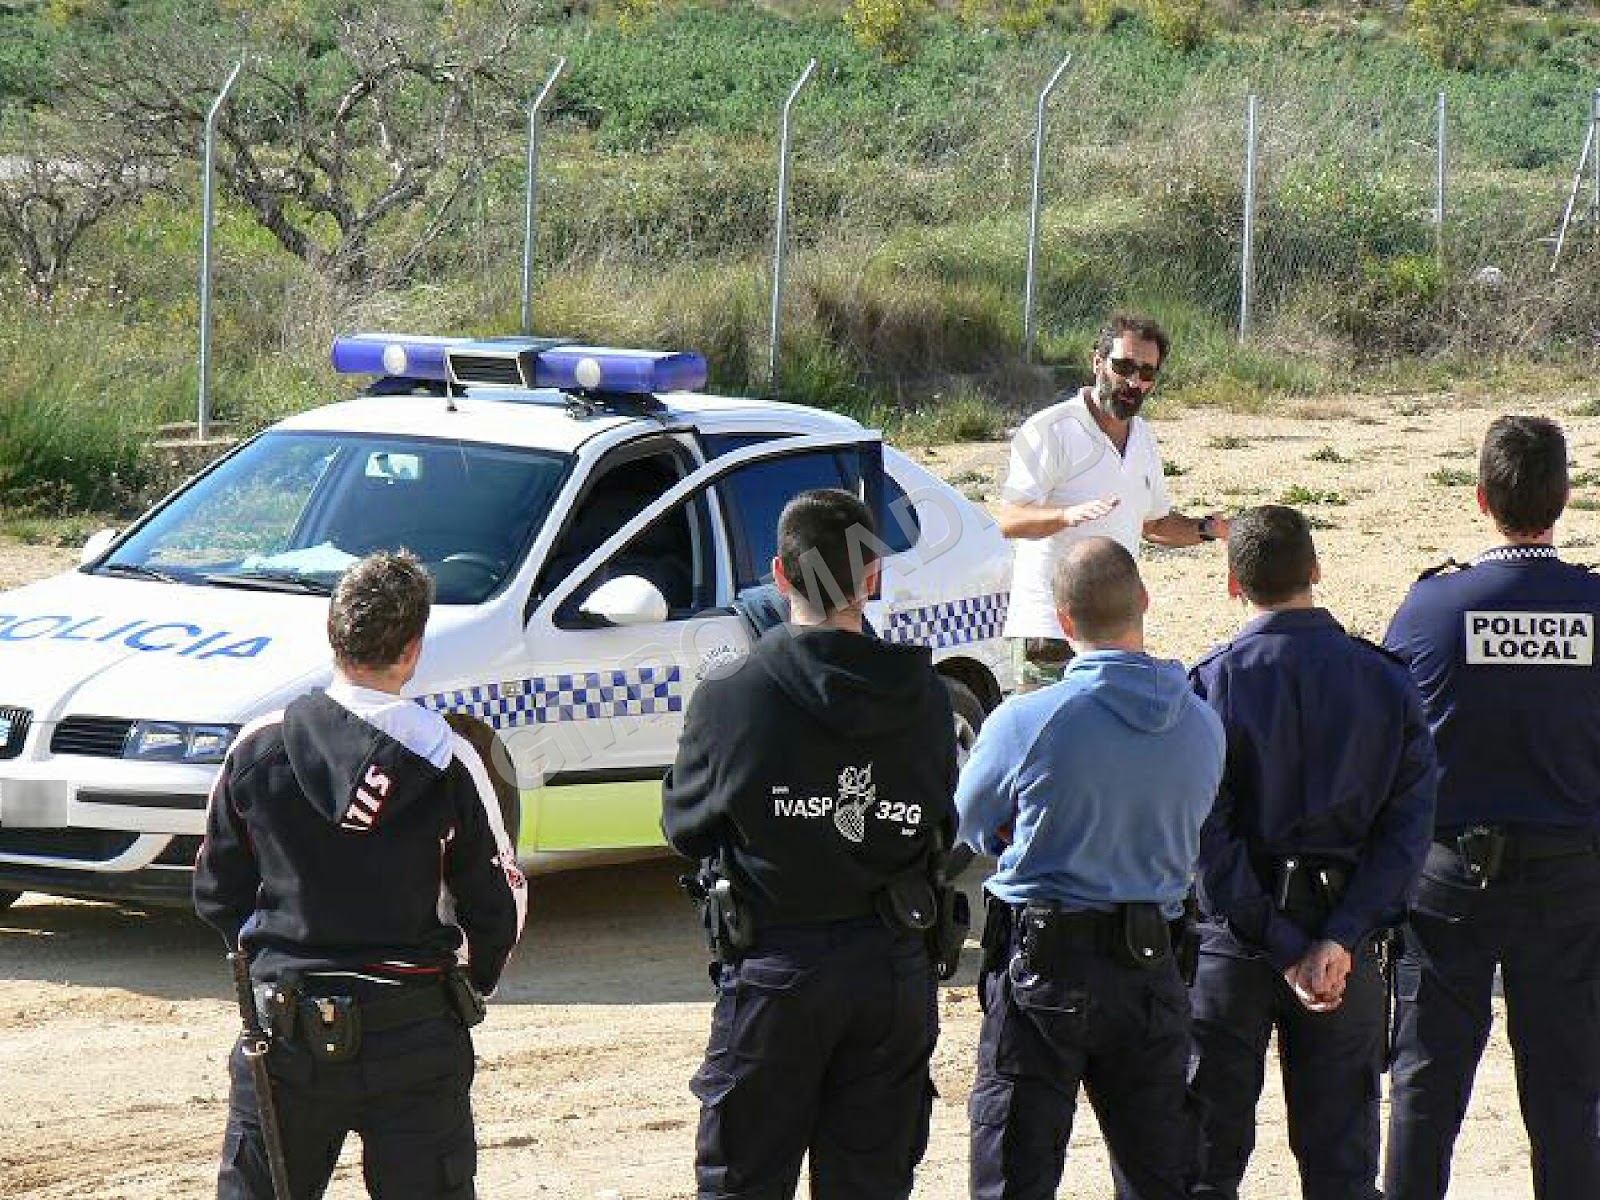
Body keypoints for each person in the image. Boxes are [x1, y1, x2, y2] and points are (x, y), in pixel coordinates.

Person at [194, 550, 528, 1199]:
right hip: (414, 1030)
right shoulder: (449, 758)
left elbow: (216, 890)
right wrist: (469, 981)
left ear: (333, 634)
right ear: (413, 650)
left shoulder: (258, 746)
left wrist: (274, 962)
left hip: (286, 1031)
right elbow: (497, 904)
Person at [661, 488, 958, 1200]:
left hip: (778, 972)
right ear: (872, 577)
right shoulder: (925, 694)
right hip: (889, 970)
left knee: (743, 1180)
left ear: (779, 574)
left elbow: (684, 824)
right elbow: (940, 826)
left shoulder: (734, 693)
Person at [957, 536, 1226, 1200]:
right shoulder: (1201, 722)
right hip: (1152, 965)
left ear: (1063, 620)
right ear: (1145, 601)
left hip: (1045, 965)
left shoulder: (1027, 720)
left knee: (1014, 1173)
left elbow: (971, 821)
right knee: (1160, 1173)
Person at [1186, 505, 1436, 1200]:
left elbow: (1206, 835)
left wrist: (1281, 940)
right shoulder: (1385, 681)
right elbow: (1407, 830)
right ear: (1317, 570)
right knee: (1342, 1168)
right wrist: (1337, 937)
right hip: (1343, 950)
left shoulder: (1211, 684)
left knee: (1206, 1161)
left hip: (1237, 944)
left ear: (1233, 585)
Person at [1383, 415, 1600, 1200]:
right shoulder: (1592, 604)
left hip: (1448, 881)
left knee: (1425, 1083)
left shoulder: (1431, 609)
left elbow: (1390, 740)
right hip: (1571, 881)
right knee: (1569, 1092)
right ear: (1565, 498)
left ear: (1481, 498)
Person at [996, 313, 1228, 690]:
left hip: (1119, 634)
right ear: (1097, 362)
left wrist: (1208, 529)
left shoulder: (1144, 438)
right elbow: (1010, 520)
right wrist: (1066, 516)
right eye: (1123, 367)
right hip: (1052, 631)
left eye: (1146, 373)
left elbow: (1155, 524)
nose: (1133, 381)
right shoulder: (1050, 430)